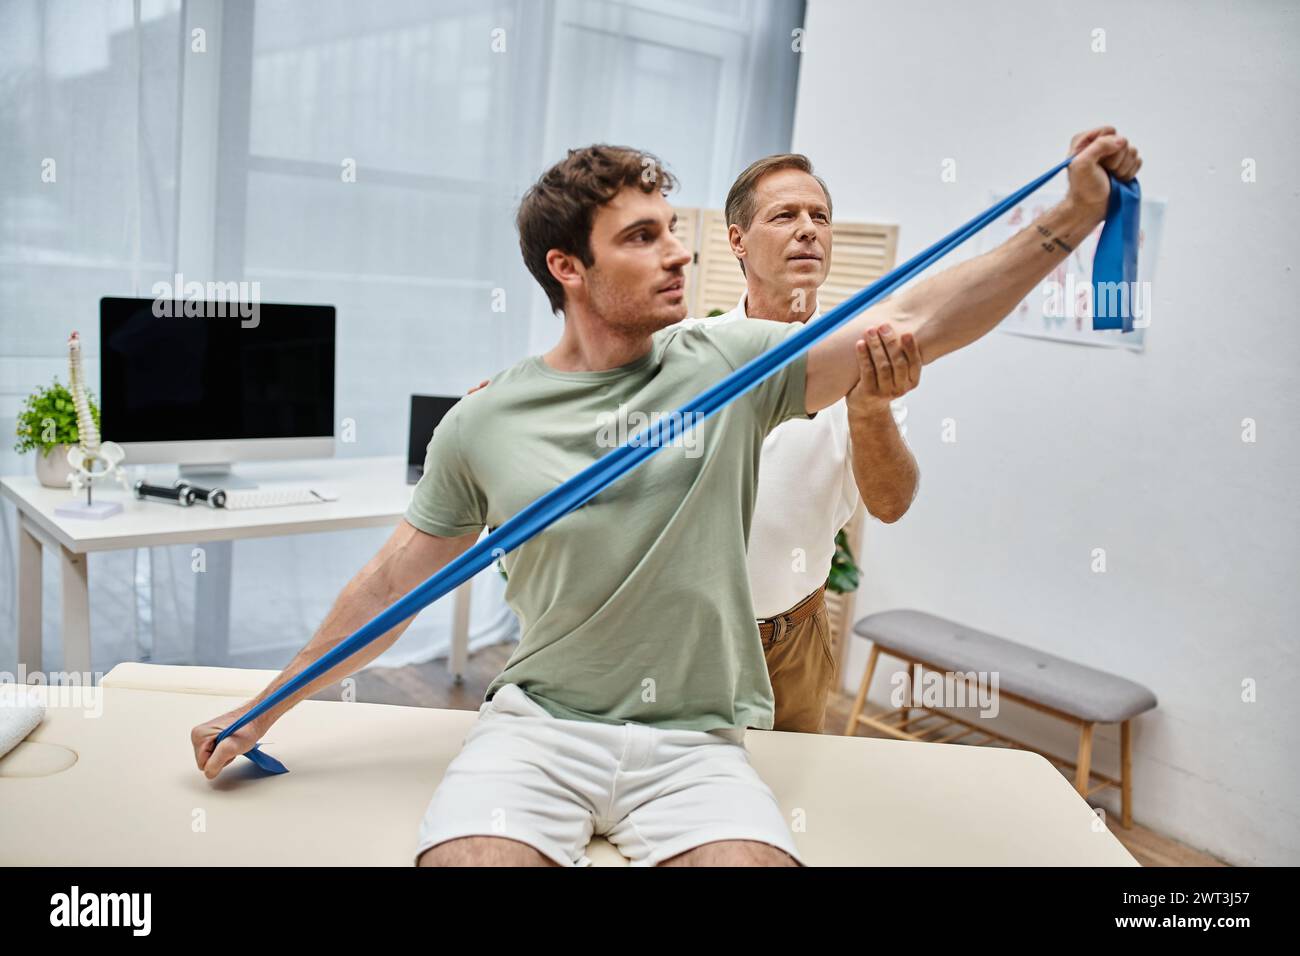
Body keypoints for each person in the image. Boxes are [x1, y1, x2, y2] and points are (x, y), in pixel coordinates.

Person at [192, 130, 1141, 867]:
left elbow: (923, 317)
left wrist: (1067, 219)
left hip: (697, 741)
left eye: (675, 234)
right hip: (538, 730)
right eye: (642, 239)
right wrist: (263, 710)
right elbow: (390, 584)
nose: (677, 257)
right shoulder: (485, 421)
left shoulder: (728, 362)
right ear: (568, 268)